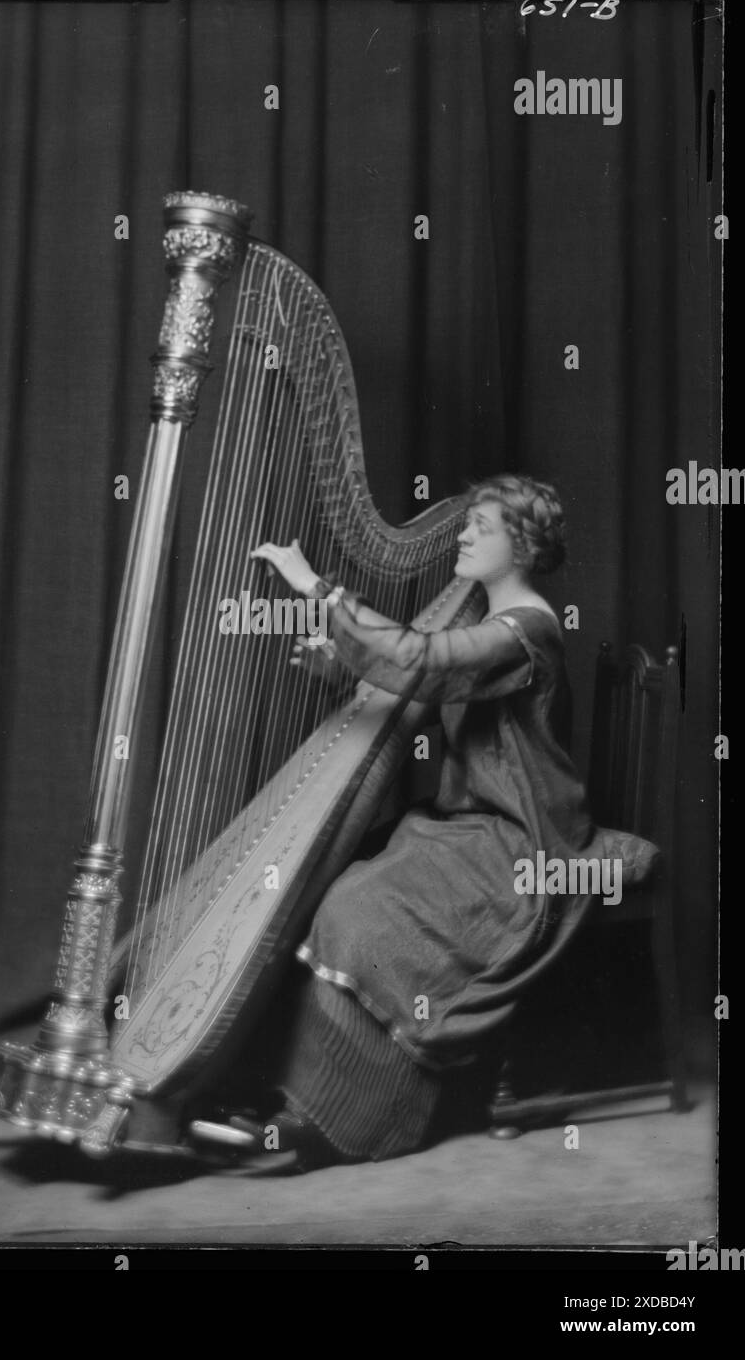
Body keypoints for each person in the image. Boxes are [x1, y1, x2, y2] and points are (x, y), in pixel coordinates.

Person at [204, 474, 606, 1173]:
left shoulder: (525, 630)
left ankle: (336, 1120)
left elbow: (418, 663)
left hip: (524, 841)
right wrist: (339, 674)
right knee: (335, 880)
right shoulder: (480, 618)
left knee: (359, 910)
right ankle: (273, 1090)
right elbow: (423, 684)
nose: (461, 535)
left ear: (519, 545)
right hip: (464, 826)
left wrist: (318, 590)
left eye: (479, 527)